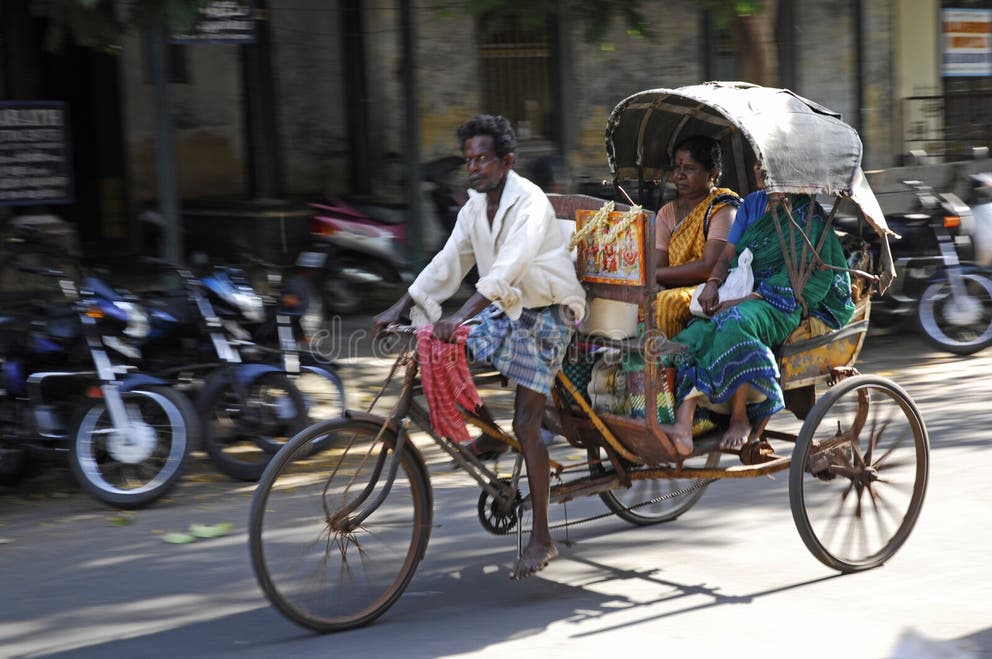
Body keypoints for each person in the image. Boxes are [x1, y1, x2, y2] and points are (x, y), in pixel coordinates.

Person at [372, 114, 586, 580]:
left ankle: (542, 536)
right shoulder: (473, 208)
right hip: (505, 306)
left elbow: (509, 266)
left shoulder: (528, 202)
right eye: (469, 159)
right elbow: (448, 260)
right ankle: (490, 432)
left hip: (548, 310)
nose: (474, 167)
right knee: (440, 348)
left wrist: (458, 317)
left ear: (506, 161)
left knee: (527, 425)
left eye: (483, 159)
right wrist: (398, 306)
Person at [661, 162, 856, 456]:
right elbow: (728, 254)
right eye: (756, 169)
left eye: (766, 169)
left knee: (733, 322)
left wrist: (740, 301)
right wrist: (713, 283)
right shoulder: (752, 204)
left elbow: (808, 280)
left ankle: (740, 419)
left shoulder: (808, 217)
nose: (760, 175)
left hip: (779, 302)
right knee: (693, 332)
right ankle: (684, 425)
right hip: (739, 289)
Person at [653, 135, 741, 339]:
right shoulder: (667, 213)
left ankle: (669, 367)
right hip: (673, 283)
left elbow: (709, 267)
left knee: (666, 303)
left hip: (712, 286)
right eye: (676, 168)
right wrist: (655, 279)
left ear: (711, 174)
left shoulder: (722, 208)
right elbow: (659, 264)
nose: (679, 176)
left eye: (689, 169)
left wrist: (655, 276)